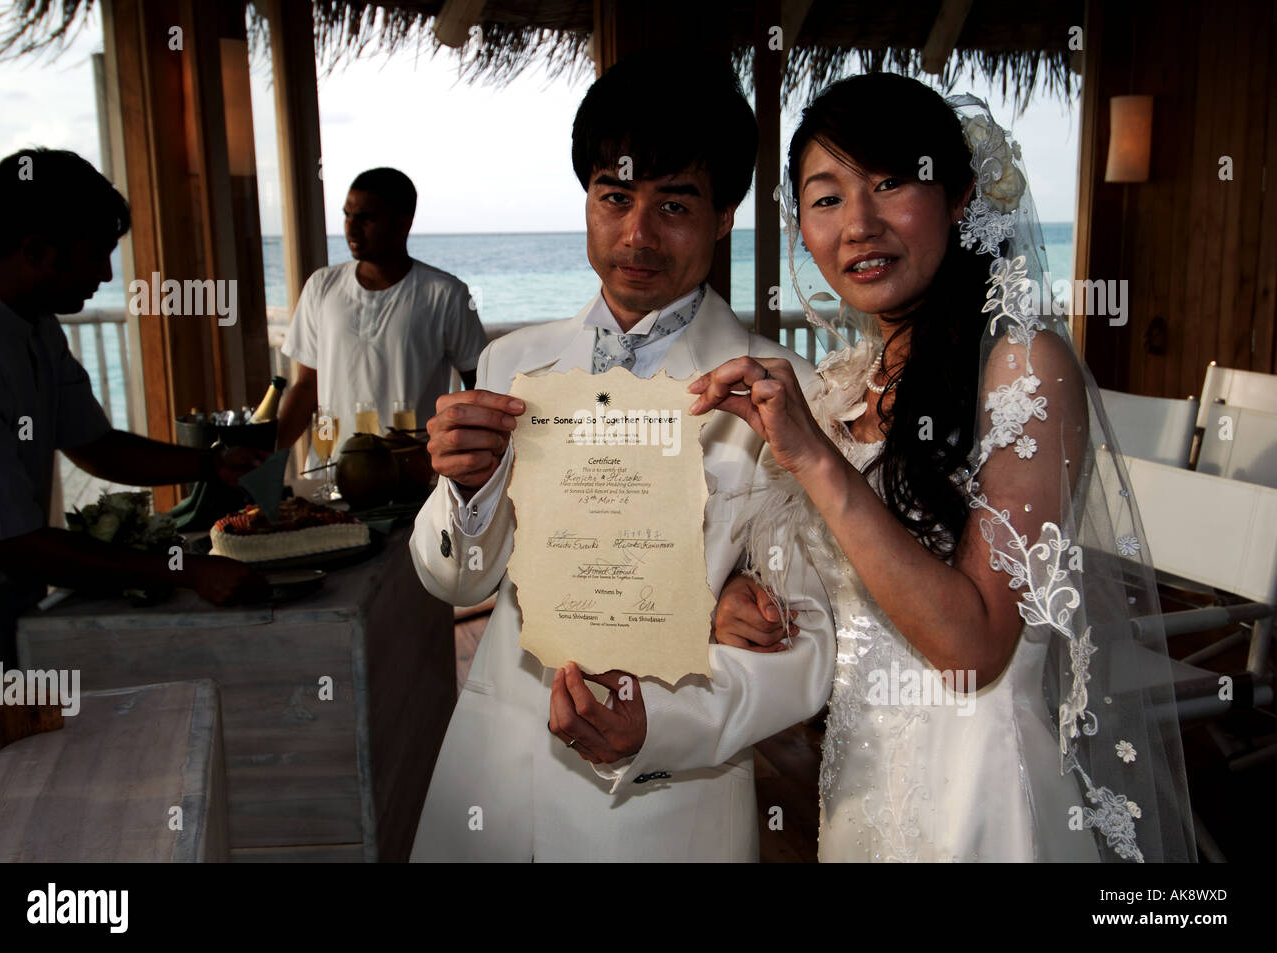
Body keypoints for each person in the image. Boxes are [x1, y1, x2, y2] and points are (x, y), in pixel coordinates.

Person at [694, 74, 1196, 862]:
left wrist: (816, 459)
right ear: (799, 227)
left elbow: (974, 647)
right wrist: (735, 603)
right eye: (826, 199)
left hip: (981, 797)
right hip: (858, 788)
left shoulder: (1025, 366)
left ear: (960, 195)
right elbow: (825, 604)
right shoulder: (841, 386)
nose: (859, 224)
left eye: (891, 183)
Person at [406, 50, 837, 862]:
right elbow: (458, 580)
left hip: (664, 797)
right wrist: (465, 494)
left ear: (723, 217)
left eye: (674, 204)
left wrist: (665, 721)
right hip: (495, 772)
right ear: (587, 203)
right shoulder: (511, 365)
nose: (637, 234)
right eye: (615, 197)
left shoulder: (787, 392)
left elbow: (811, 636)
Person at [0, 149, 267, 669]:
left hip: (13, 607)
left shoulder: (37, 324)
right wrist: (185, 571)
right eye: (96, 254)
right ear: (36, 250)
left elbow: (95, 445)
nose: (107, 273)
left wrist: (208, 463)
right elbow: (15, 543)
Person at [276, 167, 488, 452]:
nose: (351, 227)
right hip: (330, 472)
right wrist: (270, 460)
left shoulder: (445, 293)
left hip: (410, 474)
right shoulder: (322, 286)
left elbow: (477, 386)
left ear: (403, 223)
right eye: (347, 215)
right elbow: (306, 387)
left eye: (367, 217)